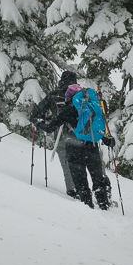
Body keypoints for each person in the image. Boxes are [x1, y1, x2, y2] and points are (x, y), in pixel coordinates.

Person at [63, 82, 114, 210]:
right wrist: (106, 138)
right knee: (97, 176)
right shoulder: (92, 105)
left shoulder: (70, 108)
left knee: (80, 178)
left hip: (74, 147)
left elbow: (52, 126)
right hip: (92, 145)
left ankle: (86, 203)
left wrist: (37, 121)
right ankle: (104, 203)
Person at [30, 69, 79, 197]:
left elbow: (38, 112)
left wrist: (40, 120)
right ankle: (95, 191)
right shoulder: (81, 95)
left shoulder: (54, 95)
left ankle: (73, 190)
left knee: (67, 163)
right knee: (83, 163)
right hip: (81, 135)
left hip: (61, 135)